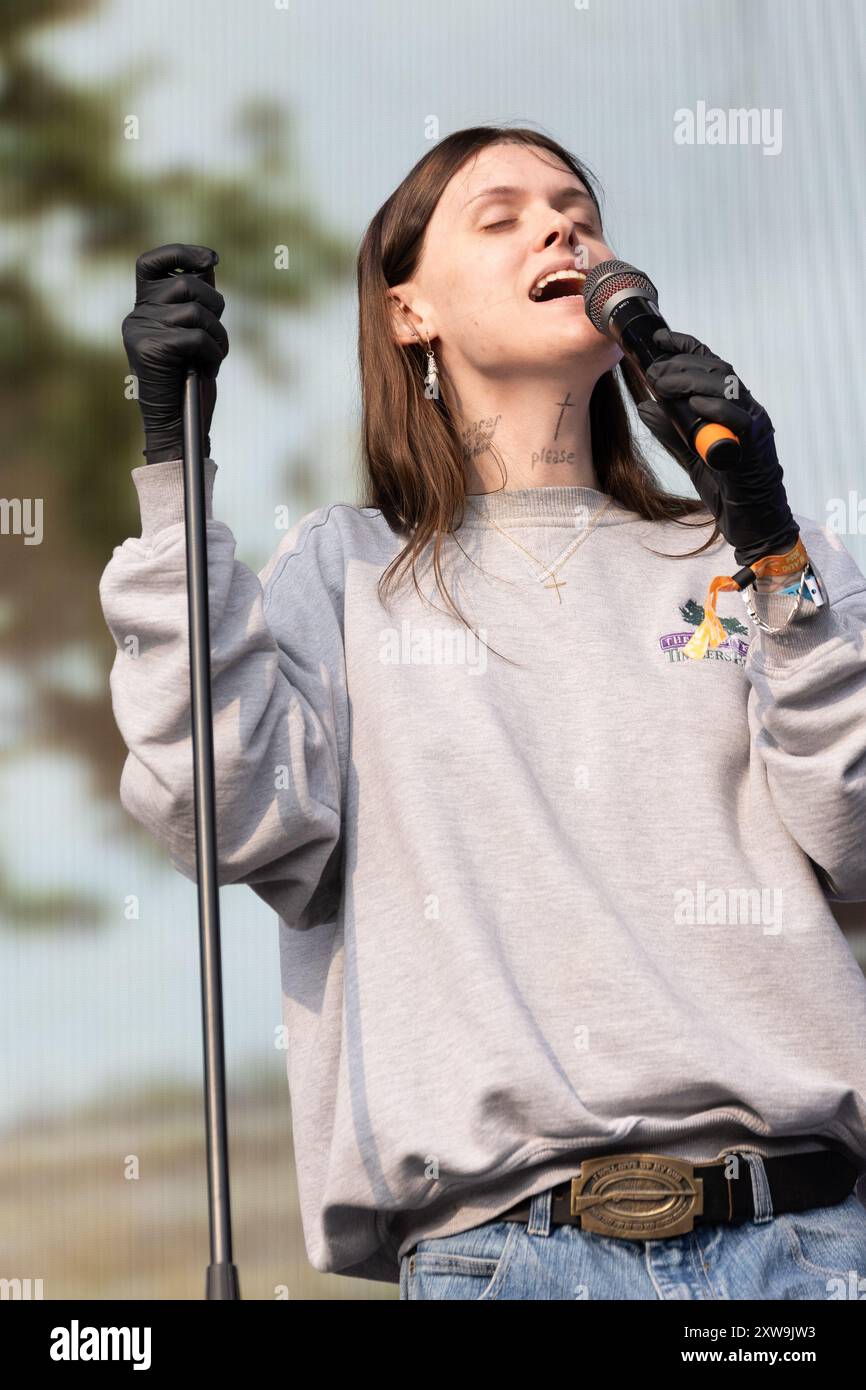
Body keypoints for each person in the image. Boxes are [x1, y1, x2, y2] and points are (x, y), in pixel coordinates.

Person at [101, 125, 866, 1300]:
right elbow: (225, 812)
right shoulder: (347, 571)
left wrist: (770, 546)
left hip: (808, 1247)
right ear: (408, 311)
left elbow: (851, 835)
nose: (562, 227)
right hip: (506, 1258)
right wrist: (170, 456)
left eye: (577, 209)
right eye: (500, 214)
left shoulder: (746, 556)